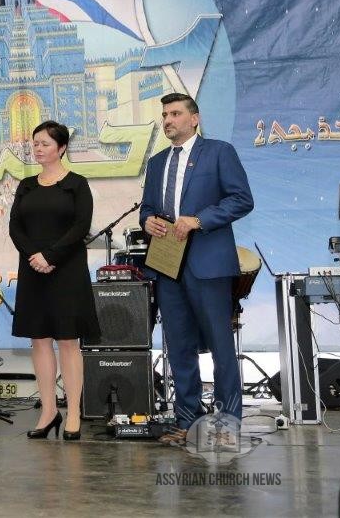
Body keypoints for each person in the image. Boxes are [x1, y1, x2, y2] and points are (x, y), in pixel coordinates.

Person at [140, 92, 253, 445]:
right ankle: (187, 422)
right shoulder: (157, 162)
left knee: (221, 346)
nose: (168, 120)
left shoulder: (219, 152)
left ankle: (227, 426)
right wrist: (148, 223)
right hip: (167, 264)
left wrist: (199, 220)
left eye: (175, 113)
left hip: (208, 264)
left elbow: (241, 200)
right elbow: (146, 208)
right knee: (178, 347)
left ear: (194, 118)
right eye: (164, 115)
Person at [9, 121, 98, 441]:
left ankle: (73, 411)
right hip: (33, 270)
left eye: (44, 143)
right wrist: (35, 254)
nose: (37, 148)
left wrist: (51, 256)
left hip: (67, 270)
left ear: (61, 148)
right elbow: (15, 227)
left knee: (68, 341)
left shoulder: (76, 184)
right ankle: (48, 411)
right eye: (34, 143)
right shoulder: (27, 185)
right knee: (39, 340)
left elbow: (80, 226)